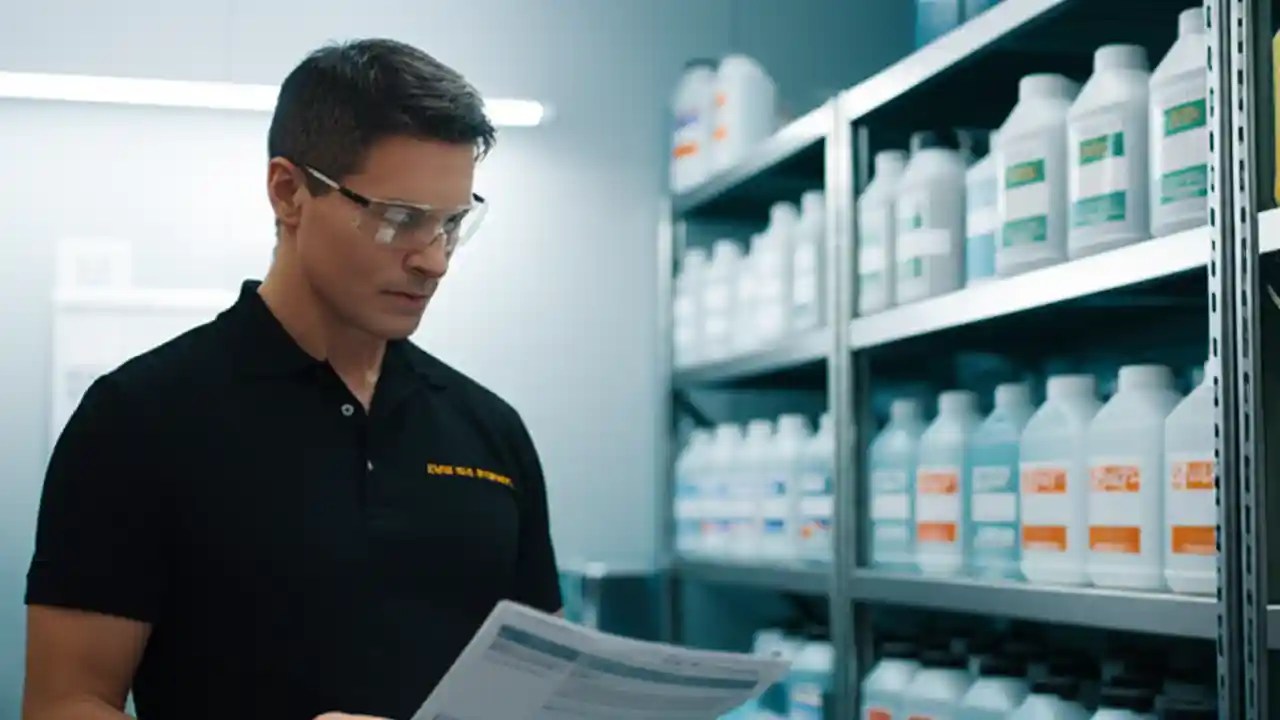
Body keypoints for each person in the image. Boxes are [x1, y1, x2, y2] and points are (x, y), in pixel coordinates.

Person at [22, 38, 561, 720]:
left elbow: (541, 695)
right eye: (400, 220)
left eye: (453, 225)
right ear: (289, 192)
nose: (435, 261)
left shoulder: (490, 431)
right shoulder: (139, 420)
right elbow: (64, 703)